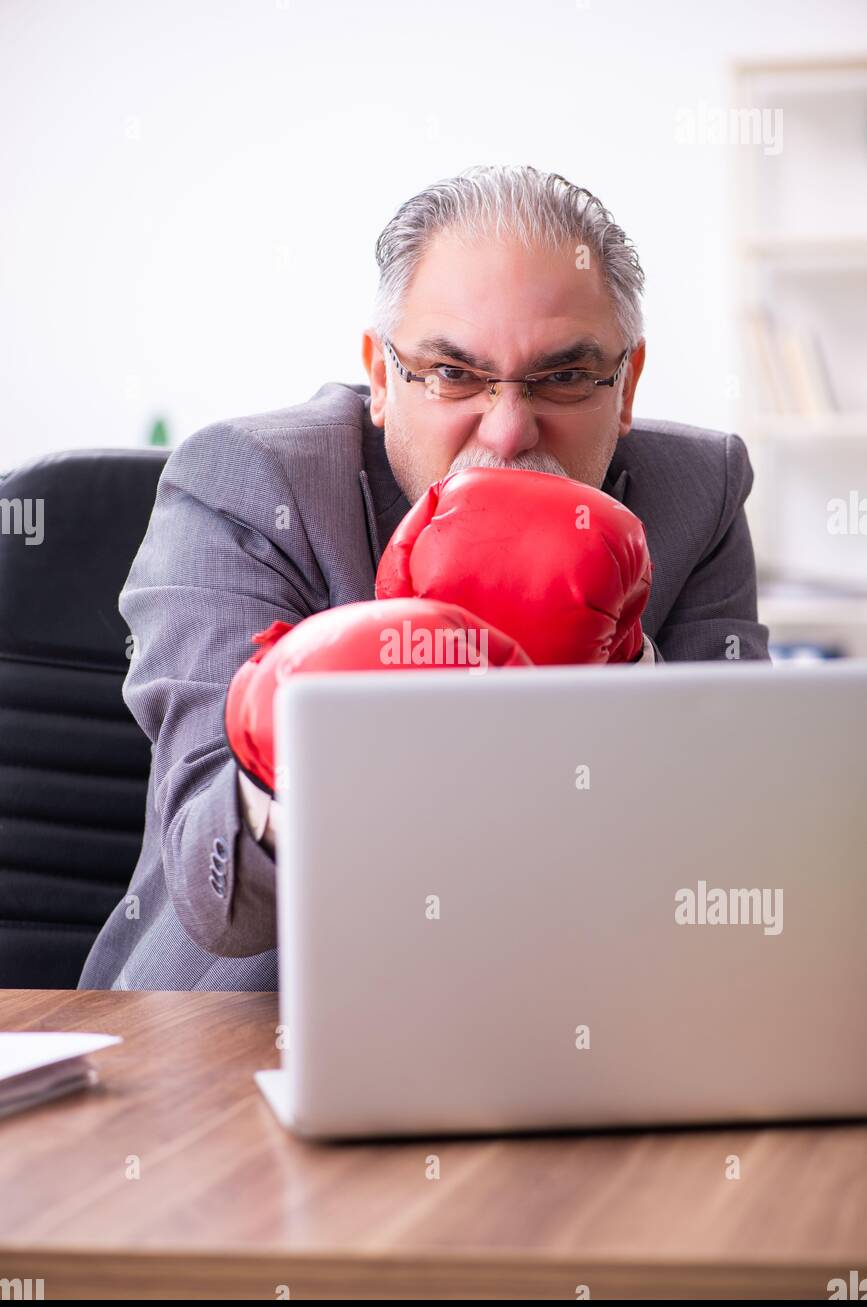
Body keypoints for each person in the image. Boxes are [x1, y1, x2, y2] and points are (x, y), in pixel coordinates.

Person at [77, 163, 769, 992]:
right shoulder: (250, 483)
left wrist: (623, 675)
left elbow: (744, 825)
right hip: (256, 1023)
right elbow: (210, 883)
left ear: (626, 387)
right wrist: (319, 750)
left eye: (564, 376)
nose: (509, 431)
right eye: (452, 373)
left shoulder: (697, 490)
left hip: (583, 1009)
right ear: (380, 377)